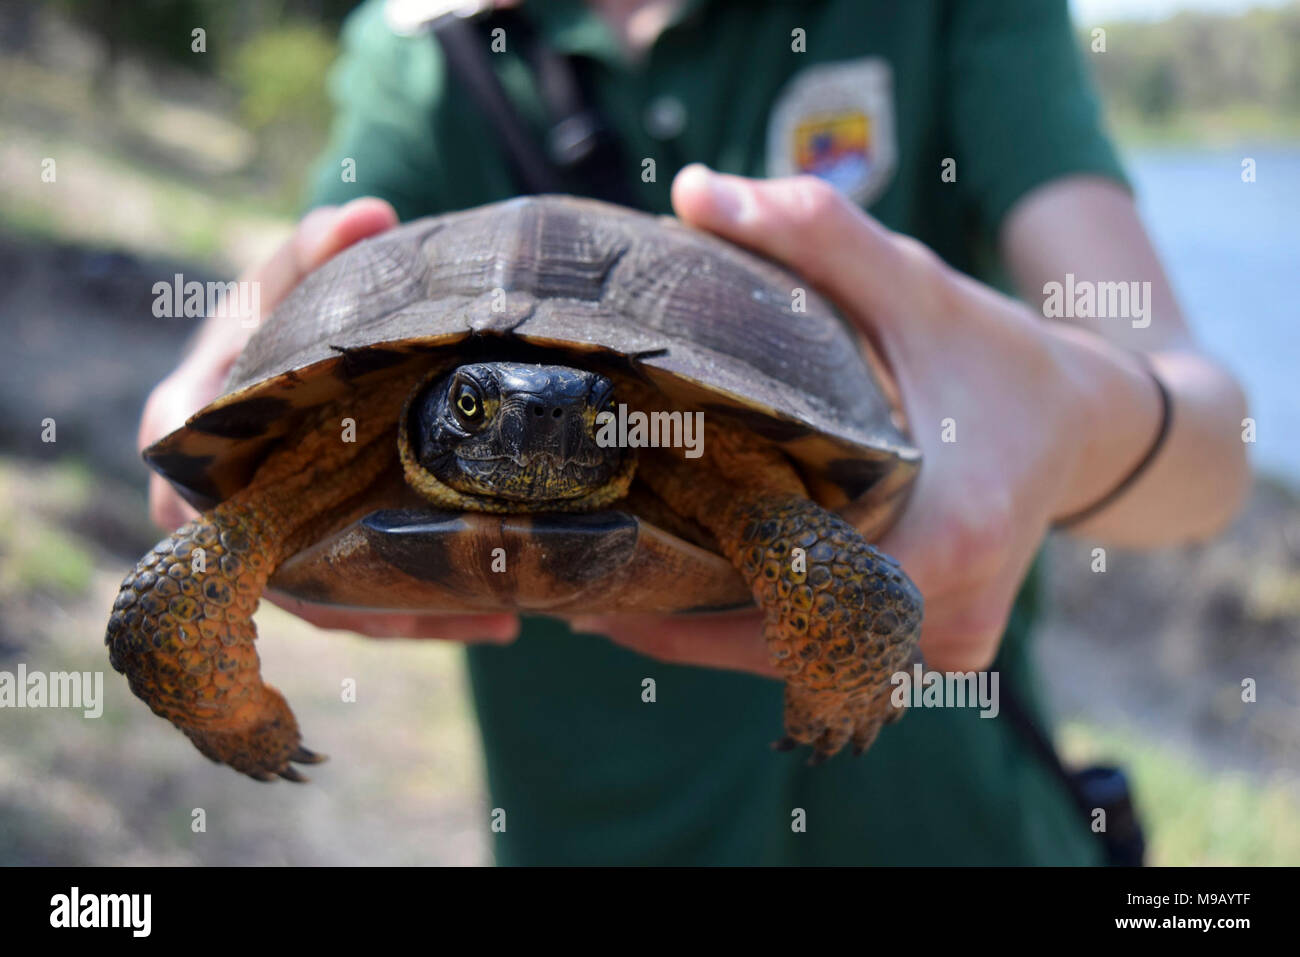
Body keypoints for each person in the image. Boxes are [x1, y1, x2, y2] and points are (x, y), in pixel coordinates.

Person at [139, 0, 1250, 864]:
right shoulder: (428, 44)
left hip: (951, 829)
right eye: (479, 409)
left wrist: (1083, 418)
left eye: (580, 417)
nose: (532, 425)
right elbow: (297, 281)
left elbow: (1209, 443)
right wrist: (205, 401)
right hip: (598, 836)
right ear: (429, 413)